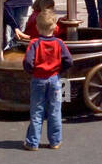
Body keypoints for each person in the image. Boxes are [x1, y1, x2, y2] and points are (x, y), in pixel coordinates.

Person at [23, 8, 72, 151]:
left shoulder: (34, 43)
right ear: (55, 27)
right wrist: (59, 70)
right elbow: (68, 60)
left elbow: (27, 62)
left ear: (37, 27)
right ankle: (55, 141)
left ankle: (32, 142)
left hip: (38, 78)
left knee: (37, 111)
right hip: (55, 79)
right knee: (55, 110)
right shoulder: (59, 43)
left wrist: (32, 71)